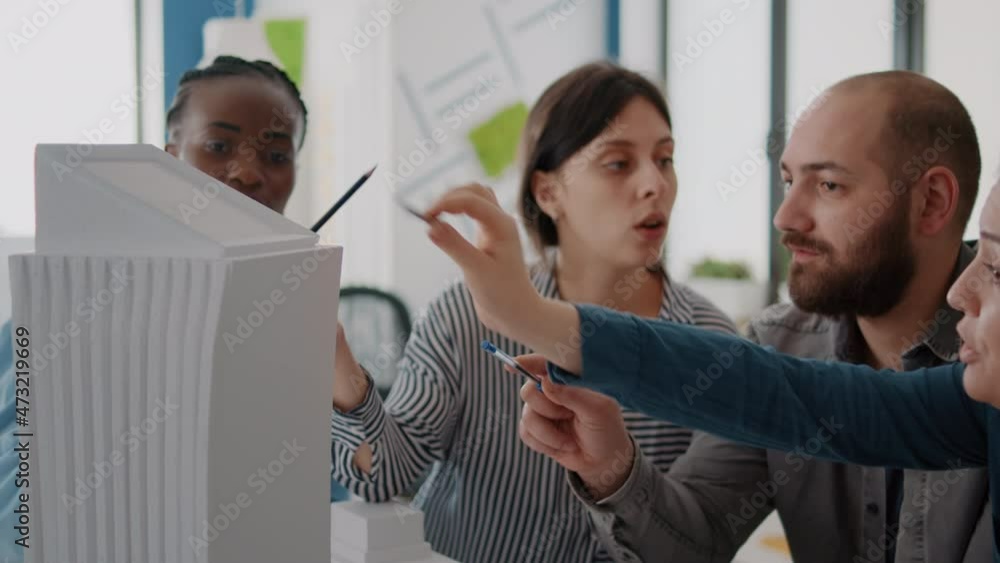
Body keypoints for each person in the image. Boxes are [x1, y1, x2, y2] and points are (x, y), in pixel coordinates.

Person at [420, 116, 1000, 563]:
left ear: (932, 201)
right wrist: (613, 468)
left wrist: (529, 314)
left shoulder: (979, 390)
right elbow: (775, 398)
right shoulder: (797, 346)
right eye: (787, 181)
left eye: (828, 184)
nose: (784, 217)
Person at [328, 62, 736, 563]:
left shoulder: (711, 341)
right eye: (618, 163)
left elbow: (696, 546)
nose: (655, 184)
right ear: (548, 192)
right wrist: (339, 362)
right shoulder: (464, 312)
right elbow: (381, 476)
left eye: (665, 159)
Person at [0, 55, 309, 562]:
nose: (249, 172)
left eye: (276, 155)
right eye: (217, 146)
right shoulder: (66, 305)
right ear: (169, 159)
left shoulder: (301, 322)